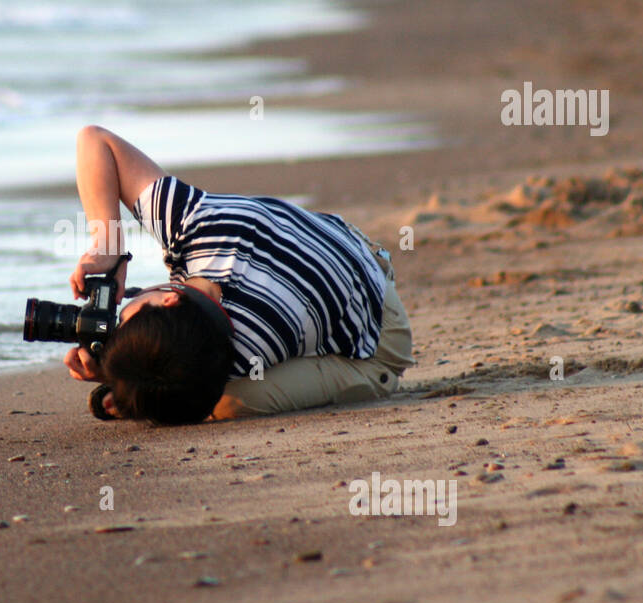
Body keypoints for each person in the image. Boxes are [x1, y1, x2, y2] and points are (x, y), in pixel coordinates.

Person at [63, 126, 415, 424]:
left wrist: (122, 381)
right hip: (353, 254)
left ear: (174, 299)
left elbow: (180, 395)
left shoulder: (247, 351)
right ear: (170, 299)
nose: (119, 310)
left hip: (378, 338)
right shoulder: (193, 224)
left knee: (225, 403)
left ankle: (377, 376)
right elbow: (95, 141)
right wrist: (107, 244)